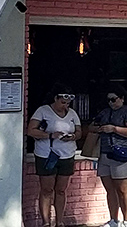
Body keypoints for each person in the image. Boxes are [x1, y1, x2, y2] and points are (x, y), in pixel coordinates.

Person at [26, 84, 82, 227]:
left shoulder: (72, 114)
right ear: (55, 98)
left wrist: (73, 136)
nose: (65, 106)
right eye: (62, 102)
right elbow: (31, 131)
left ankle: (60, 221)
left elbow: (80, 132)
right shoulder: (43, 111)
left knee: (61, 190)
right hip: (46, 154)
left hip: (67, 154)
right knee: (47, 189)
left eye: (68, 103)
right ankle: (46, 222)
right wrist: (50, 135)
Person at [94, 85, 127, 227]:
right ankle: (113, 220)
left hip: (121, 153)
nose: (111, 103)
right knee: (109, 189)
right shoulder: (105, 112)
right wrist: (99, 127)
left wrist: (114, 128)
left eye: (114, 99)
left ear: (122, 98)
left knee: (122, 189)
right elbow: (91, 126)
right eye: (108, 100)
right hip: (104, 152)